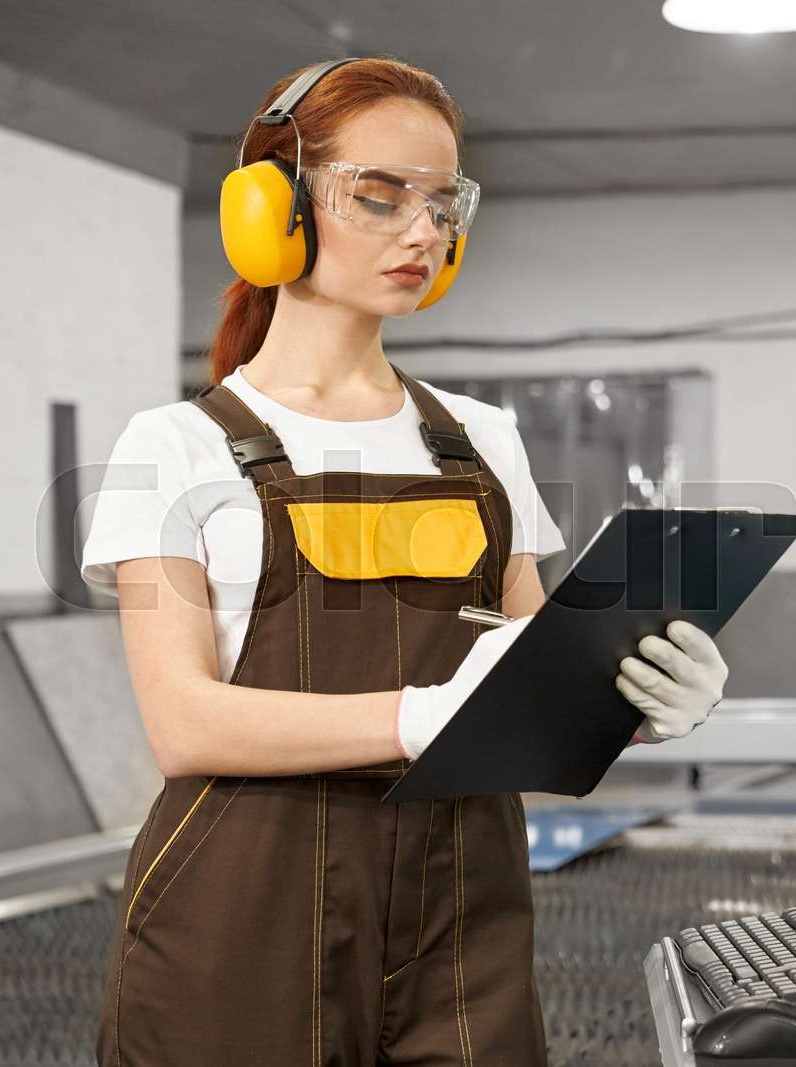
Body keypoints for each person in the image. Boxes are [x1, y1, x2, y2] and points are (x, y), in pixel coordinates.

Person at [81, 56, 728, 1066]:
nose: (422, 232)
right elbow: (182, 721)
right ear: (271, 209)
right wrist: (416, 714)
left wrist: (631, 698)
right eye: (379, 197)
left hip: (460, 910)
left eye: (443, 203)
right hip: (244, 909)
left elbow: (528, 673)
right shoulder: (173, 447)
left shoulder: (479, 441)